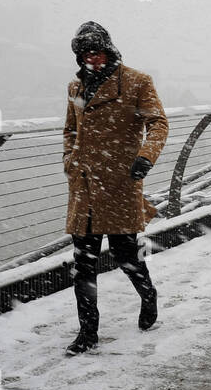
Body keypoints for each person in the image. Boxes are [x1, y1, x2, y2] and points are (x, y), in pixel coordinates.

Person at [62, 22, 169, 355]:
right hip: (83, 186)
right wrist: (70, 161)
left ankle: (148, 296)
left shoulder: (136, 82)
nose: (92, 58)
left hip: (120, 182)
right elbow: (70, 131)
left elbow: (159, 123)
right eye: (85, 53)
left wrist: (144, 157)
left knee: (125, 255)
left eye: (97, 51)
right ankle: (87, 332)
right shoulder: (75, 88)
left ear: (109, 50)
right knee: (83, 263)